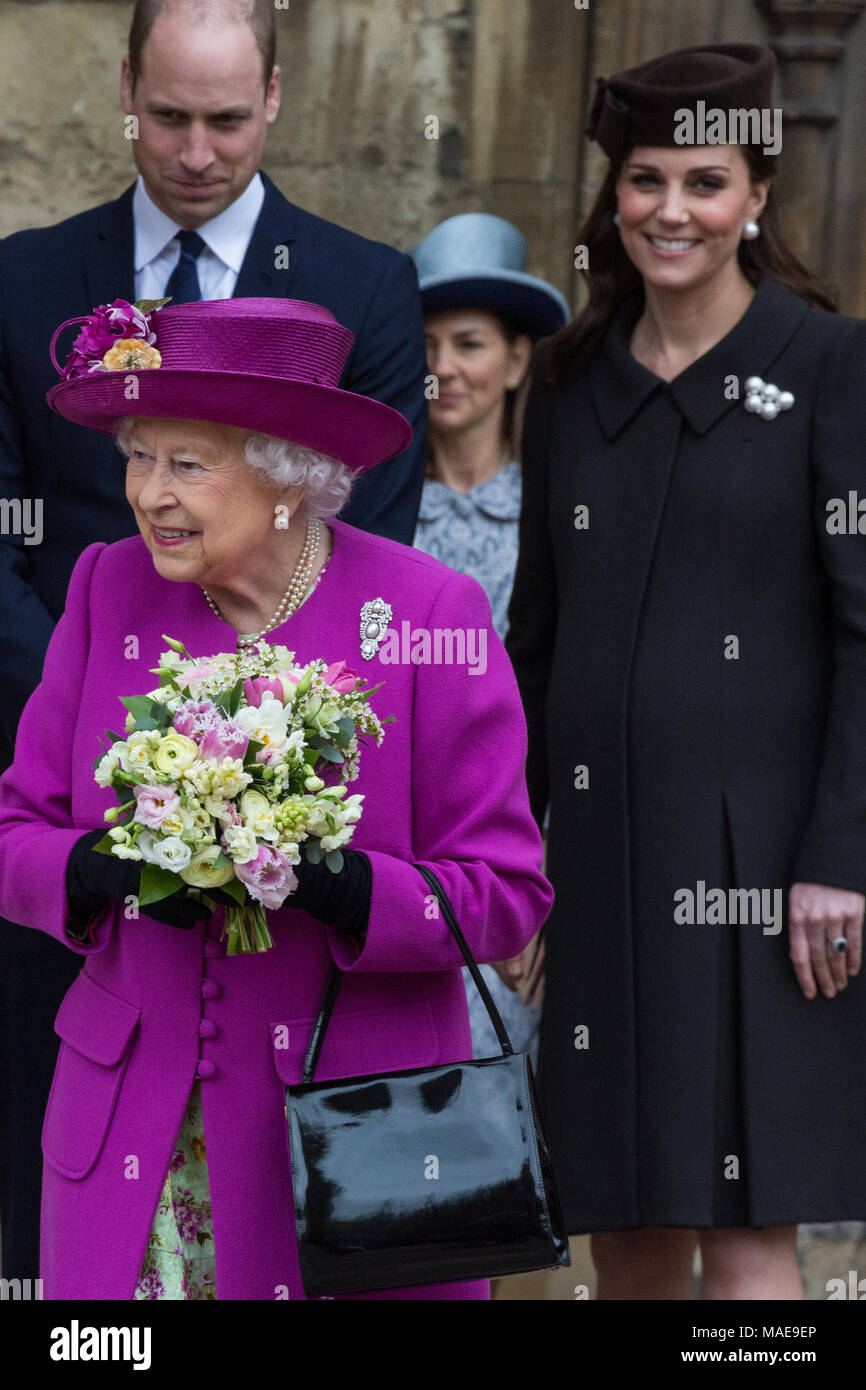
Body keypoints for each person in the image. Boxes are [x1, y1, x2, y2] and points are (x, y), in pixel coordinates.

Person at [0, 294, 552, 1300]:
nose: (147, 493)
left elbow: (505, 892)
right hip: (135, 1129)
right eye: (137, 454)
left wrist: (339, 886)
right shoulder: (104, 588)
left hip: (351, 1140)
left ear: (288, 474)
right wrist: (102, 863)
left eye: (187, 463)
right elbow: (15, 835)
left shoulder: (428, 613)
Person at [0, 0, 427, 1284]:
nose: (195, 151)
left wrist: (255, 776)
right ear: (127, 89)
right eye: (170, 116)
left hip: (304, 844)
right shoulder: (22, 281)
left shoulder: (364, 285)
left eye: (227, 120)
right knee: (76, 1207)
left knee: (277, 1225)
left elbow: (371, 575)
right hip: (85, 809)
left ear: (276, 99)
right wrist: (114, 745)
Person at [506, 42, 866, 1300]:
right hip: (598, 857)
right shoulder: (561, 381)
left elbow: (862, 638)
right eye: (645, 180)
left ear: (756, 194)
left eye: (704, 182)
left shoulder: (829, 368)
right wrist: (514, 857)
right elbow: (532, 645)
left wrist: (838, 859)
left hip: (765, 872)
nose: (670, 210)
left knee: (751, 1224)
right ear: (613, 198)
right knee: (626, 1217)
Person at [410, 213, 568, 1064]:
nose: (444, 370)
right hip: (402, 844)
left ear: (514, 362)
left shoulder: (559, 515)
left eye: (468, 345)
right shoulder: (378, 520)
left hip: (520, 841)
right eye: (427, 345)